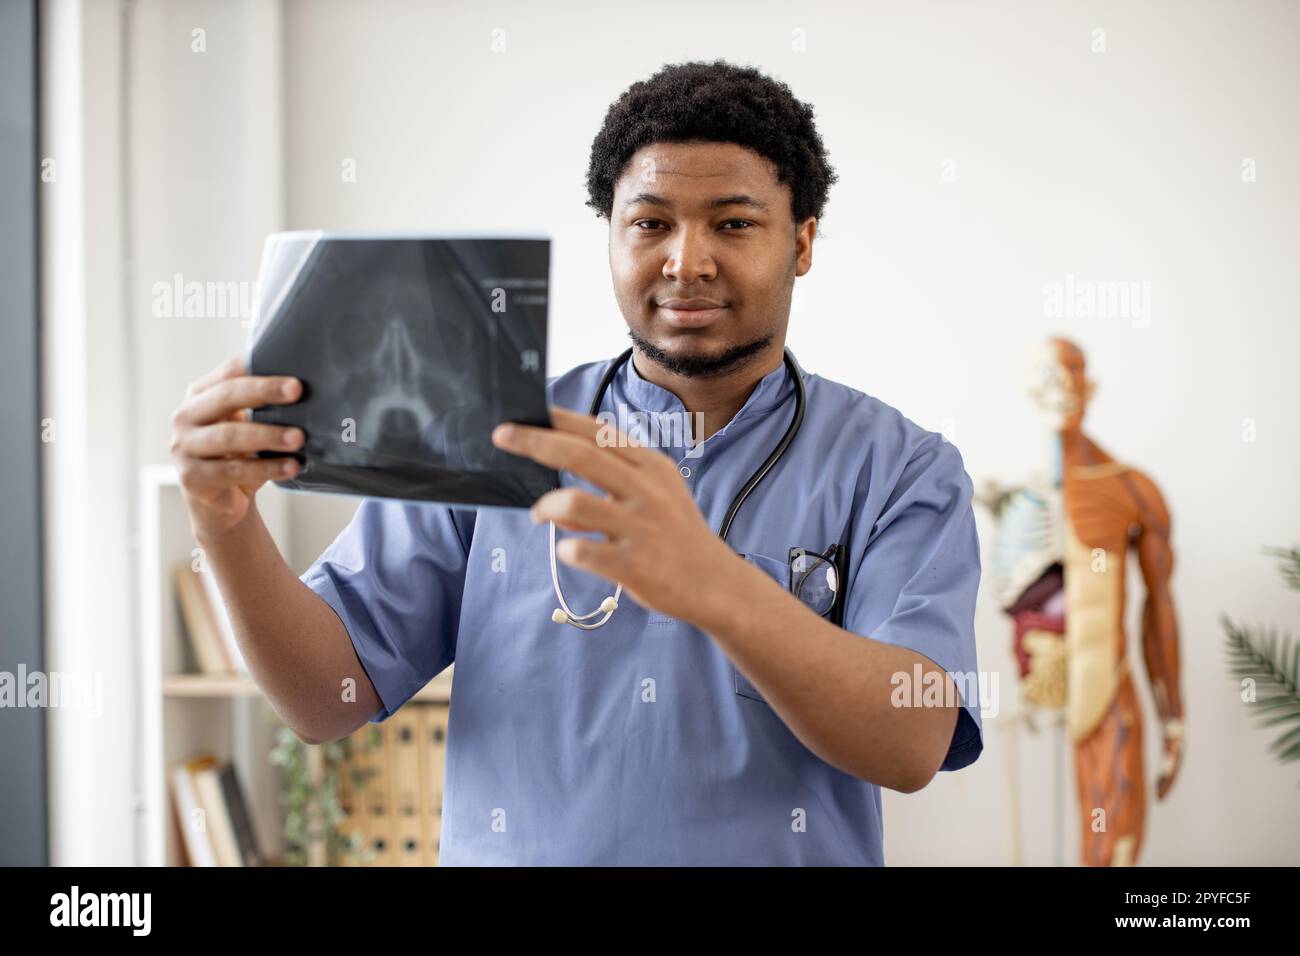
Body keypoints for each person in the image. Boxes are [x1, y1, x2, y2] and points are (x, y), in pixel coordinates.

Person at [169, 60, 984, 866]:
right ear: (612, 235)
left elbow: (912, 742)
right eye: (651, 223)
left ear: (802, 242)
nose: (686, 261)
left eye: (733, 224)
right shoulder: (490, 434)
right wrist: (226, 524)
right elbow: (324, 700)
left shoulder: (902, 469)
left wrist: (716, 584)